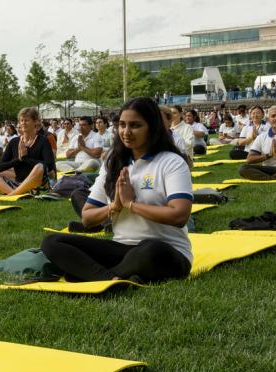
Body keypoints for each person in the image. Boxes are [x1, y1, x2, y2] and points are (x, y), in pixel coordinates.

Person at [41, 96, 193, 284]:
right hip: (122, 248)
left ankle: (91, 275)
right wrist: (115, 205)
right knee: (52, 243)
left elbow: (179, 216)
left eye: (135, 125)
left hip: (166, 251)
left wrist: (131, 204)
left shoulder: (171, 162)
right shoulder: (114, 163)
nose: (126, 132)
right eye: (122, 125)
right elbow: (87, 218)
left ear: (152, 127)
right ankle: (111, 278)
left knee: (150, 249)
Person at [0, 107, 55, 196]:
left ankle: (11, 195)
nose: (23, 123)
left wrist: (25, 158)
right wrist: (18, 159)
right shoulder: (14, 142)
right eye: (21, 121)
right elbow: (1, 166)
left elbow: (49, 165)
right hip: (18, 183)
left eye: (26, 120)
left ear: (35, 122)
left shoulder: (43, 141)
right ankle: (15, 193)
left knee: (40, 166)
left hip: (37, 183)